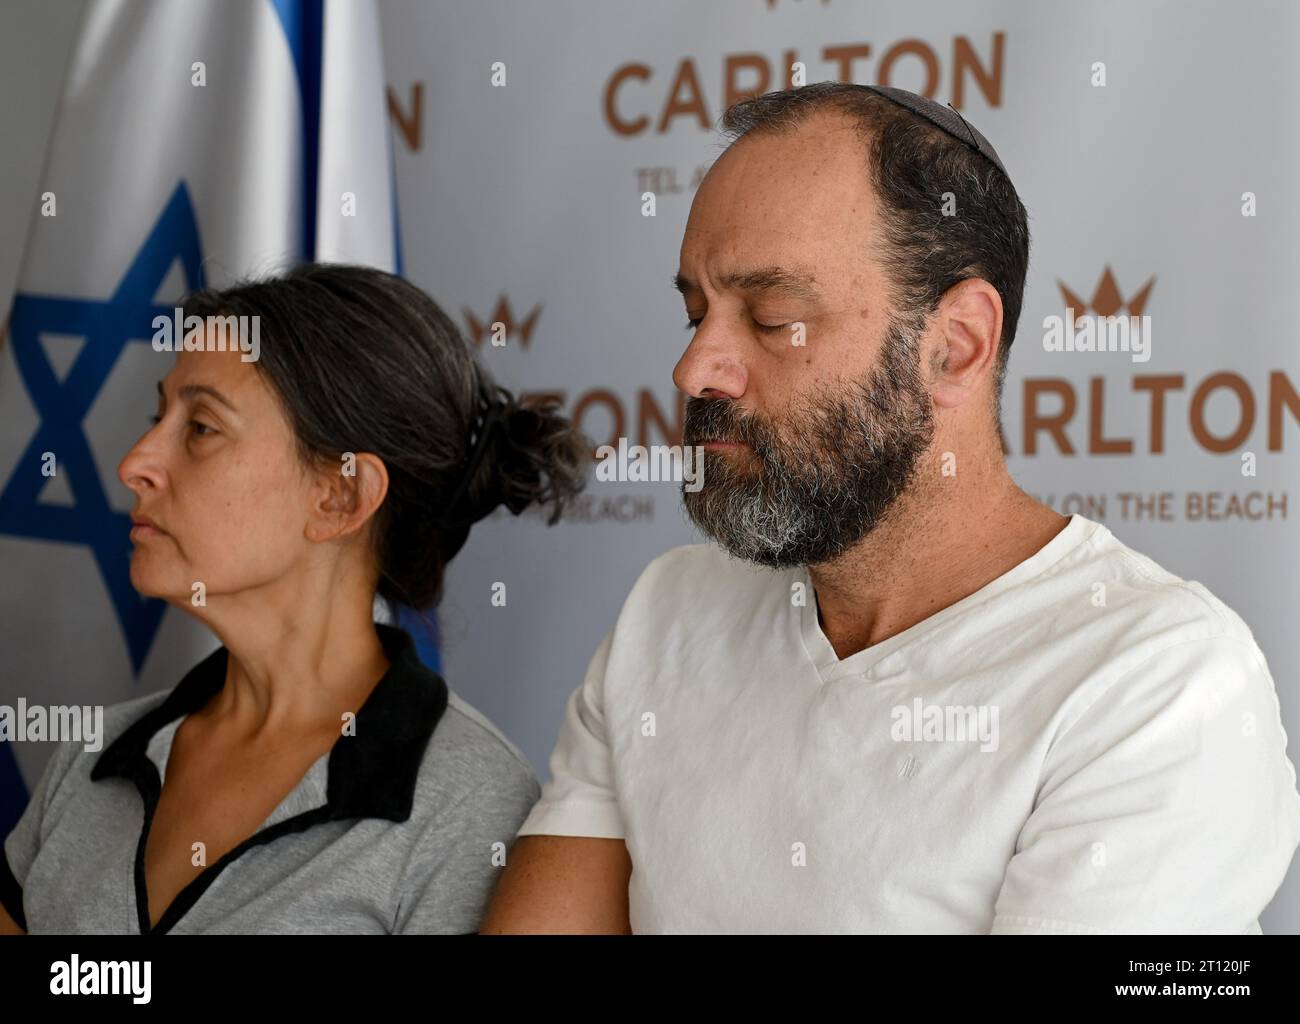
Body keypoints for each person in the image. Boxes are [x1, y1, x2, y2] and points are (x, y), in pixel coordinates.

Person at [481, 83, 1300, 934]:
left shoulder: (1157, 683)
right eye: (695, 312)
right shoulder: (670, 610)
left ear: (956, 345)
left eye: (773, 319)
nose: (695, 369)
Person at [0, 263, 587, 934]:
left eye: (201, 429)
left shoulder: (469, 808)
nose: (134, 461)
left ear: (341, 497)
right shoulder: (90, 757)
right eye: (158, 417)